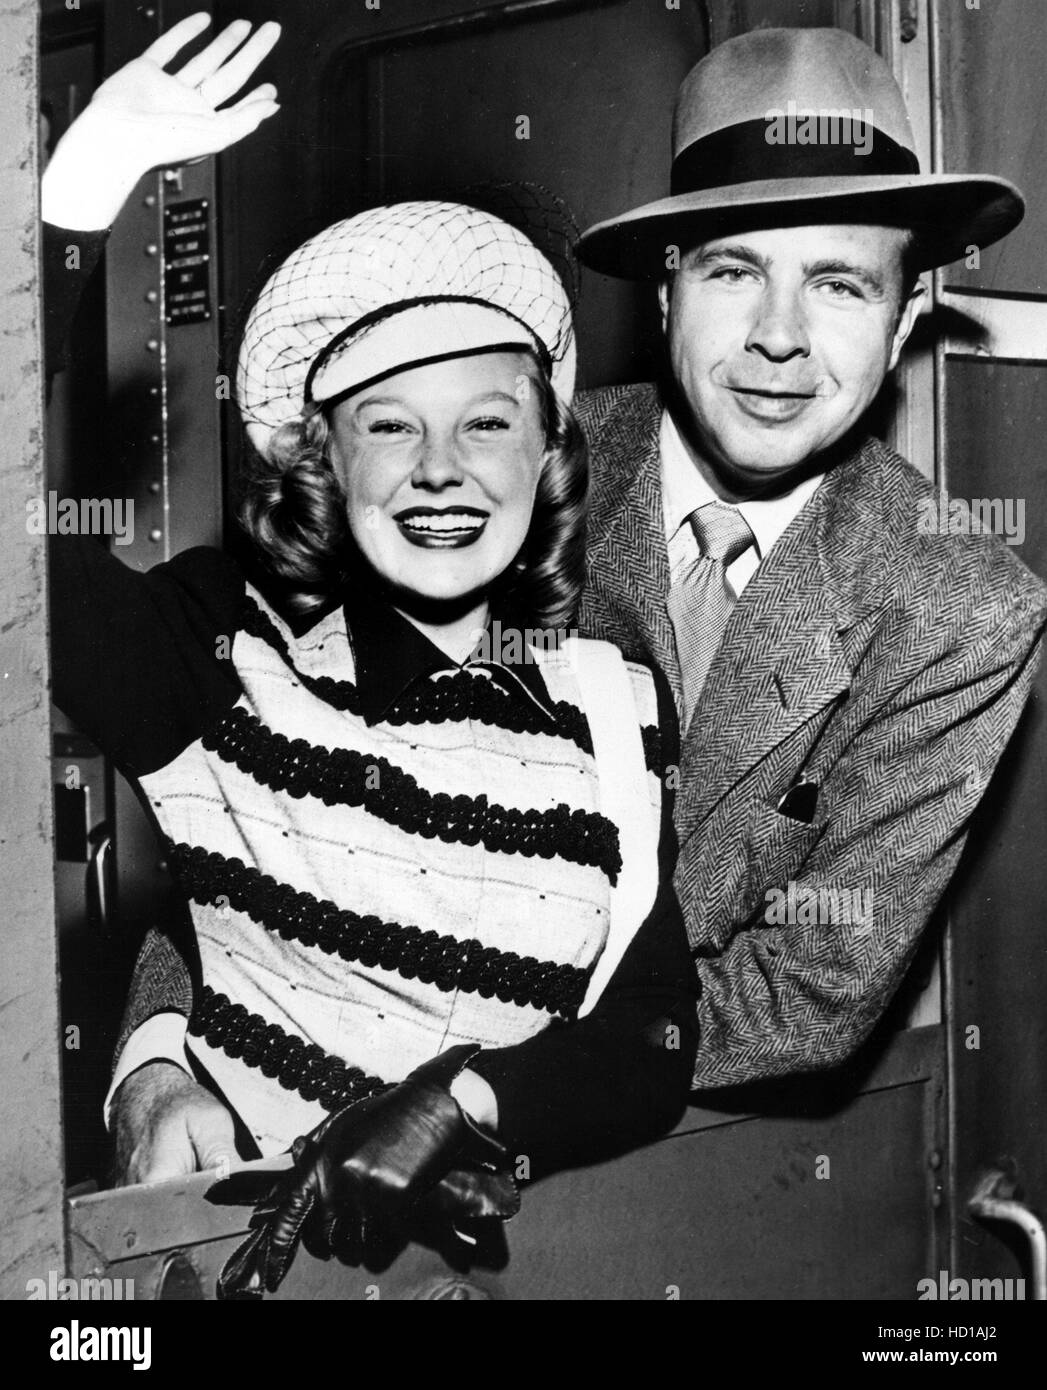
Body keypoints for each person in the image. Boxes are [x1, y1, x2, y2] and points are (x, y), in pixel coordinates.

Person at [41, 16, 697, 1296]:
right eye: (387, 423)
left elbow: (655, 1035)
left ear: (547, 456)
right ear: (320, 465)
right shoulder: (218, 657)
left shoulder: (610, 703)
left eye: (487, 421)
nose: (442, 468)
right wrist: (70, 208)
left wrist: (471, 1098)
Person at [572, 27, 1047, 1089]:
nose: (779, 336)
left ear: (903, 317)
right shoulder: (511, 469)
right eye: (736, 270)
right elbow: (251, 778)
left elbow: (811, 991)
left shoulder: (960, 607)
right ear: (664, 291)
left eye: (839, 285)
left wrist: (498, 1086)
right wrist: (155, 1059)